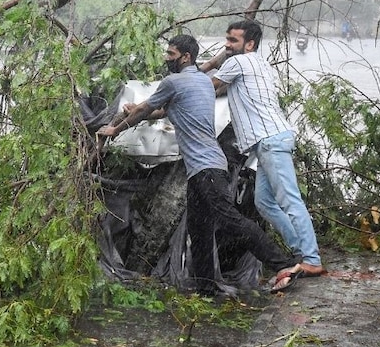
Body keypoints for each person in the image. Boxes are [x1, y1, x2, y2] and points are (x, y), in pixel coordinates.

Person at [97, 34, 295, 296]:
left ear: (185, 57)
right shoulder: (201, 82)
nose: (166, 59)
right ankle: (206, 288)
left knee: (229, 219)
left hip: (206, 168)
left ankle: (285, 265)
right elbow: (161, 111)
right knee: (199, 230)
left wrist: (114, 129)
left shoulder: (173, 82)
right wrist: (138, 110)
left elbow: (145, 110)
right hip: (205, 168)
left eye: (170, 54)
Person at [202, 19, 327, 290]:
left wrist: (206, 66)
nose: (227, 45)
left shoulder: (237, 63)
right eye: (227, 39)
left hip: (269, 141)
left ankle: (312, 259)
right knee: (265, 202)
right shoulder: (260, 65)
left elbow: (204, 86)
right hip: (271, 140)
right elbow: (226, 89)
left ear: (250, 44)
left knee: (290, 200)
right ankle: (300, 252)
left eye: (233, 41)